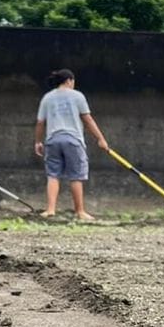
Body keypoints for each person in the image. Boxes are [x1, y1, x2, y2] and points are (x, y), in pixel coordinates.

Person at [34, 68, 109, 222]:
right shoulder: (77, 96)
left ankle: (50, 209)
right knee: (76, 176)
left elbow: (40, 122)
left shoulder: (47, 98)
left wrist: (38, 141)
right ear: (69, 80)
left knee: (53, 175)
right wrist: (101, 139)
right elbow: (87, 119)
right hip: (73, 140)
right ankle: (80, 211)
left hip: (53, 140)